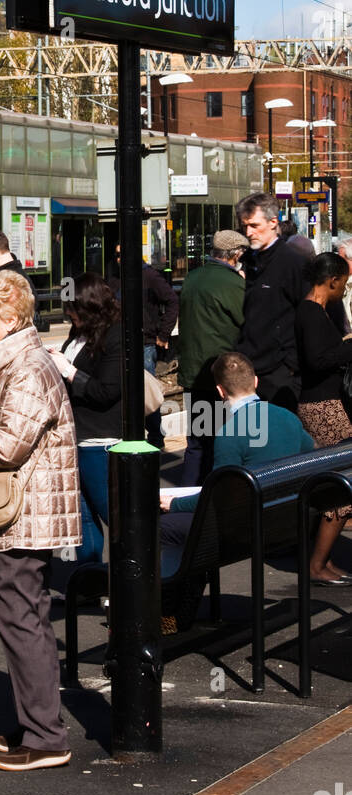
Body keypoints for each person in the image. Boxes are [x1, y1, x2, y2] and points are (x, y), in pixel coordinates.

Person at [0, 270, 81, 772]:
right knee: (25, 617)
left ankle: (46, 738)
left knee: (20, 620)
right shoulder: (14, 361)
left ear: (10, 319)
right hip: (26, 511)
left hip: (24, 514)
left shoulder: (26, 368)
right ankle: (36, 722)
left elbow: (8, 445)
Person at [159, 351, 315, 630]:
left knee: (164, 528)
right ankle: (176, 614)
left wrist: (173, 504)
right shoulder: (287, 418)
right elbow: (309, 454)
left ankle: (167, 617)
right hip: (282, 523)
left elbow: (219, 499)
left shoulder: (230, 432)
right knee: (194, 534)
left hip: (243, 529)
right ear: (255, 381)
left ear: (219, 391)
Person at [53, 273, 121, 564]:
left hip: (99, 441)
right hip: (72, 438)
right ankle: (90, 584)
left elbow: (106, 391)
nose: (69, 314)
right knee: (80, 518)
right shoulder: (77, 332)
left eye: (73, 308)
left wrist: (68, 370)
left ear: (89, 306)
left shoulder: (116, 335)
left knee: (113, 515)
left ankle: (137, 581)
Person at [295, 253, 352, 585]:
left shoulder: (314, 312)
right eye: (343, 282)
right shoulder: (311, 312)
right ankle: (316, 565)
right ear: (332, 280)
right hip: (322, 407)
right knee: (342, 487)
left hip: (326, 404)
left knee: (341, 484)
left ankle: (322, 561)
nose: (344, 289)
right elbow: (318, 360)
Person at [176, 230, 248, 484]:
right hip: (224, 376)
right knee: (225, 440)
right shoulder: (233, 284)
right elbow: (246, 321)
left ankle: (186, 496)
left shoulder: (192, 278)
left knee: (197, 441)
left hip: (193, 373)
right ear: (236, 254)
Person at [236, 192, 308, 411]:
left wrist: (291, 364)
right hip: (251, 368)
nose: (249, 232)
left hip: (281, 372)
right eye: (244, 226)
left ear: (273, 222)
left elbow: (307, 313)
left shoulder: (292, 264)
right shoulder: (248, 261)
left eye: (255, 225)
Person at [109, 244, 177, 443]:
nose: (120, 259)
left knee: (146, 392)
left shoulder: (150, 276)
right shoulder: (114, 280)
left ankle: (156, 437)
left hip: (145, 343)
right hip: (119, 341)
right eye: (117, 255)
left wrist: (163, 334)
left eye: (124, 254)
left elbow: (172, 301)